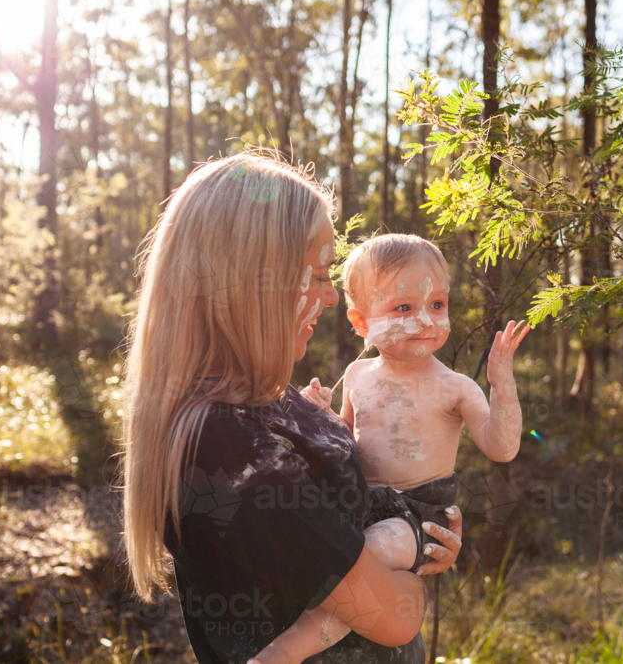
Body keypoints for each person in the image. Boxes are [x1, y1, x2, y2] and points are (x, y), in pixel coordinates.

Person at [121, 154, 463, 664]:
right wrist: (406, 582)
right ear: (254, 281)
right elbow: (394, 616)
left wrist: (419, 538)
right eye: (320, 276)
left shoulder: (268, 399)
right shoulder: (230, 443)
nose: (329, 300)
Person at [252, 235, 530, 664]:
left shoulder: (454, 387)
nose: (424, 319)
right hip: (361, 503)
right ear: (361, 322)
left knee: (363, 561)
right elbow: (343, 443)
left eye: (437, 304)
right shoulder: (358, 374)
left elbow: (503, 446)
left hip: (416, 514)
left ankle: (283, 653)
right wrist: (319, 415)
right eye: (403, 308)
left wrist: (502, 384)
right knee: (350, 558)